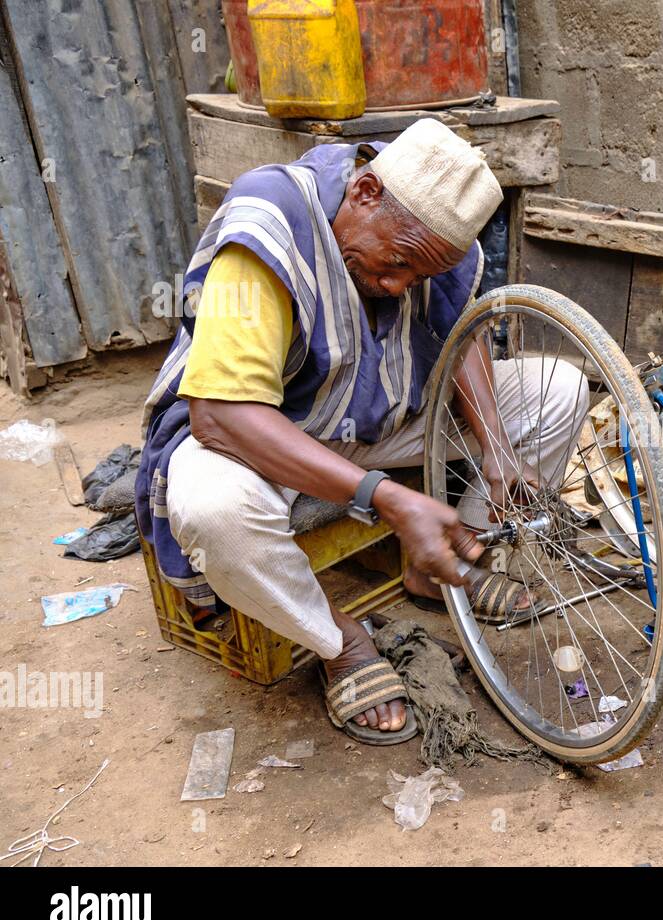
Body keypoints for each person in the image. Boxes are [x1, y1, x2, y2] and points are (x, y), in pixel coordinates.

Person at [135, 119, 587, 744]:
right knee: (213, 511)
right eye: (397, 262)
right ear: (366, 192)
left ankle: (443, 566)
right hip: (257, 436)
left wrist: (498, 450)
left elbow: (464, 334)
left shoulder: (433, 249)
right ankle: (338, 639)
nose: (401, 286)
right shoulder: (269, 222)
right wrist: (388, 497)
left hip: (375, 413)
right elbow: (222, 416)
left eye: (418, 276)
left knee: (557, 390)